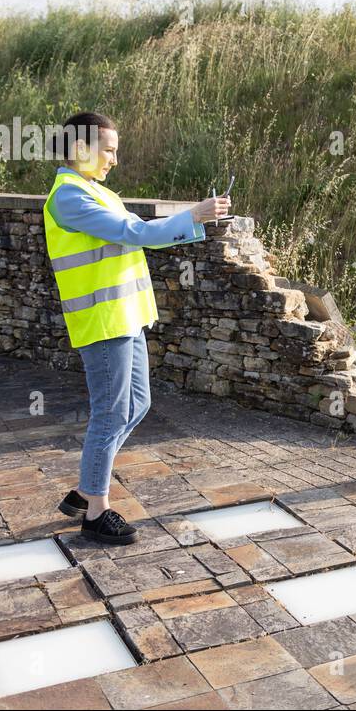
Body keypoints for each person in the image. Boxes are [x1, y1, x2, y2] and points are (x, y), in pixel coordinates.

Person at [42, 112, 229, 544]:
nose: (114, 160)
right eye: (108, 150)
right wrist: (193, 215)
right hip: (104, 322)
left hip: (127, 316)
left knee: (137, 405)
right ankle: (96, 511)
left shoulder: (95, 191)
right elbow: (136, 231)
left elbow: (137, 234)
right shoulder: (68, 198)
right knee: (110, 412)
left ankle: (86, 489)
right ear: (80, 149)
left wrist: (194, 220)